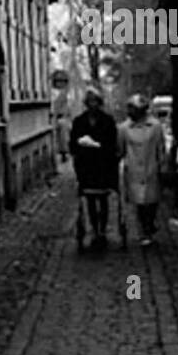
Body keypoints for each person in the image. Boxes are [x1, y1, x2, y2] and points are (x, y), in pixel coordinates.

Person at [68, 88, 119, 247]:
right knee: (89, 199)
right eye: (90, 102)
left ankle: (102, 230)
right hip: (86, 165)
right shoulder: (79, 121)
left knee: (103, 198)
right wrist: (79, 148)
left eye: (95, 102)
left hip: (102, 164)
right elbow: (73, 143)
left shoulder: (108, 121)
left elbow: (112, 143)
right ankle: (94, 229)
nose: (92, 105)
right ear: (86, 104)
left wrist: (101, 148)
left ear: (100, 103)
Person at [117, 93, 167, 246]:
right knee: (139, 201)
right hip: (133, 168)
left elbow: (161, 147)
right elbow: (120, 149)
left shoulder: (155, 126)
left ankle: (150, 224)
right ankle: (145, 230)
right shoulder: (124, 128)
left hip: (151, 166)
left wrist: (162, 165)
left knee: (151, 200)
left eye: (133, 109)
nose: (130, 112)